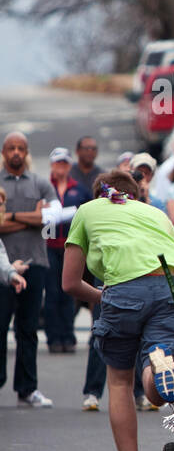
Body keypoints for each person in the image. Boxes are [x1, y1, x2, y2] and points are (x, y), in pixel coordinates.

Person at [61, 170, 174, 451]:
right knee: (155, 366)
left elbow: (69, 283)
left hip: (126, 289)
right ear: (135, 194)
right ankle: (159, 365)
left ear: (99, 194)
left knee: (120, 381)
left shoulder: (89, 210)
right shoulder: (155, 213)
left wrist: (101, 296)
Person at [0, 132, 58, 407]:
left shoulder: (40, 183)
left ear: (26, 152)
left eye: (20, 148)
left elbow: (51, 218)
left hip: (35, 263)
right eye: (11, 148)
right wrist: (30, 220)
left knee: (28, 328)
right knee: (0, 327)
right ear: (4, 152)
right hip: (3, 267)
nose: (15, 152)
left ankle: (27, 389)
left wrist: (8, 216)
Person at [44, 147, 90, 354]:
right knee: (52, 293)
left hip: (71, 246)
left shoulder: (78, 189)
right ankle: (54, 337)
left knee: (69, 292)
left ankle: (68, 336)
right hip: (49, 245)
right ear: (52, 166)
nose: (60, 167)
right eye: (57, 163)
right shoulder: (45, 188)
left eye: (64, 163)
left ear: (69, 165)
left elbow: (89, 212)